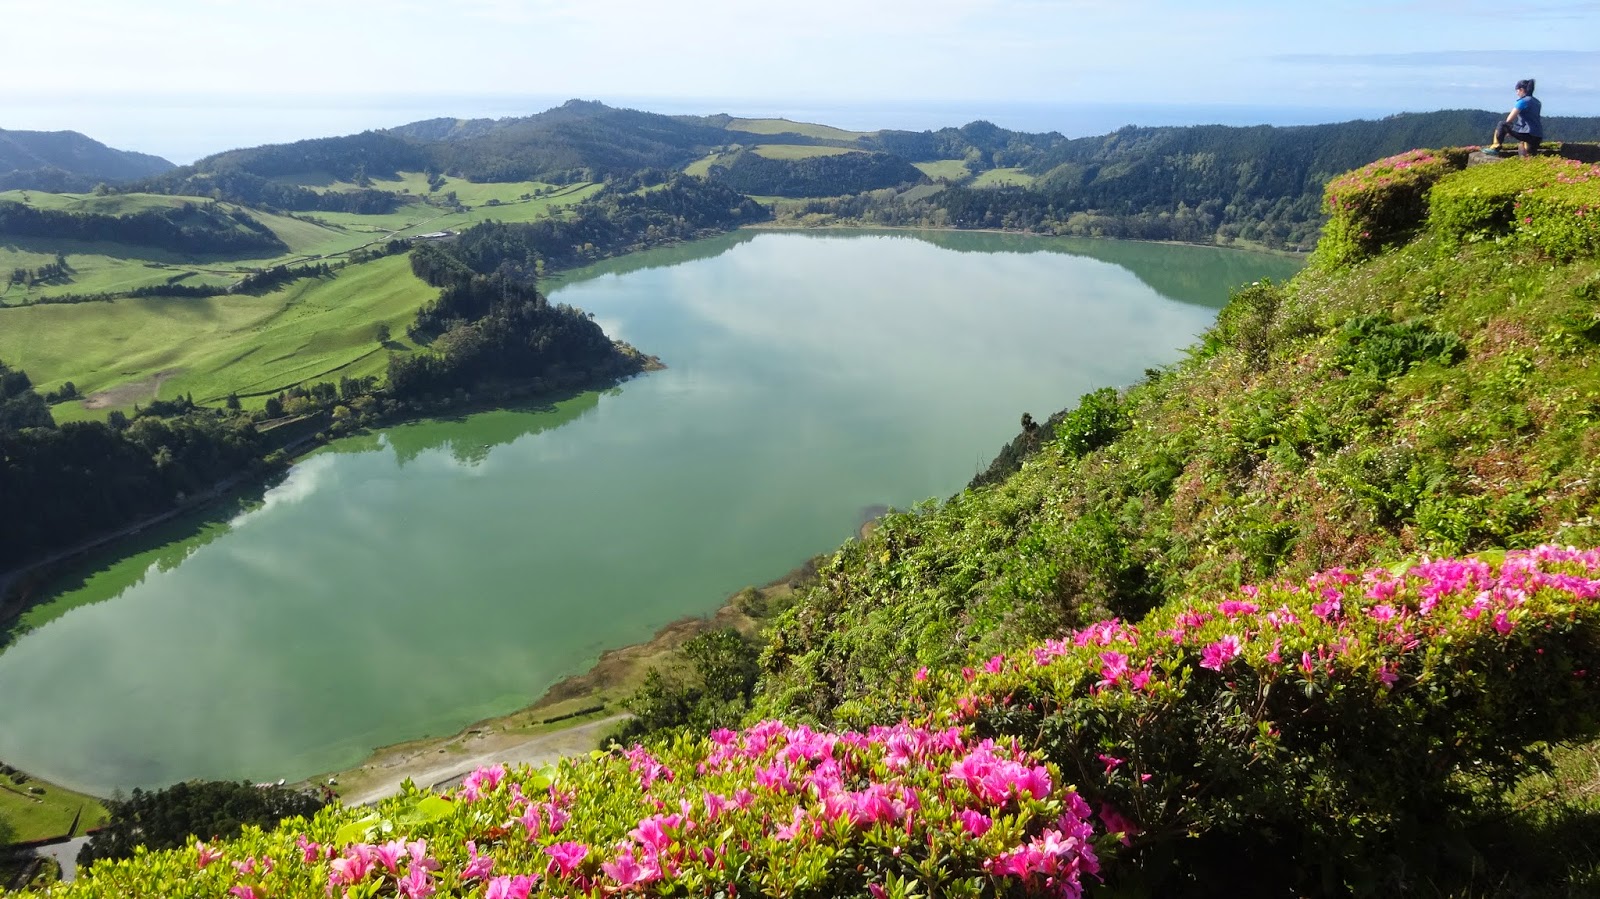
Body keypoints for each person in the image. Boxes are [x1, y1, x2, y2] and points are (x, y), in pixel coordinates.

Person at [1484, 79, 1542, 157]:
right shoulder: (1537, 102)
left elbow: (1509, 120)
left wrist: (1507, 131)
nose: (1517, 93)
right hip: (1537, 135)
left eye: (1517, 91)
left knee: (1502, 124)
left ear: (1521, 90)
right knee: (1529, 154)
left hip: (1527, 133)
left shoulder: (1523, 101)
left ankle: (1495, 148)